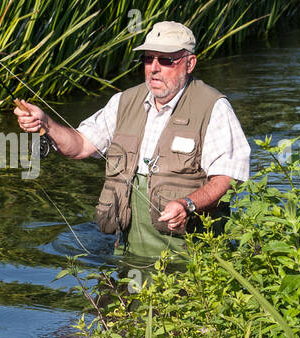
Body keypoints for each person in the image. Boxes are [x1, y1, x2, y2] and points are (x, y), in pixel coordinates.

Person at [14, 21, 250, 265]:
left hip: (189, 261)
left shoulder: (213, 107)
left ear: (190, 64)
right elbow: (81, 145)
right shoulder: (123, 101)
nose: (154, 69)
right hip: (127, 255)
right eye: (148, 59)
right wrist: (47, 123)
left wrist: (188, 204)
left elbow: (228, 178)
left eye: (166, 60)